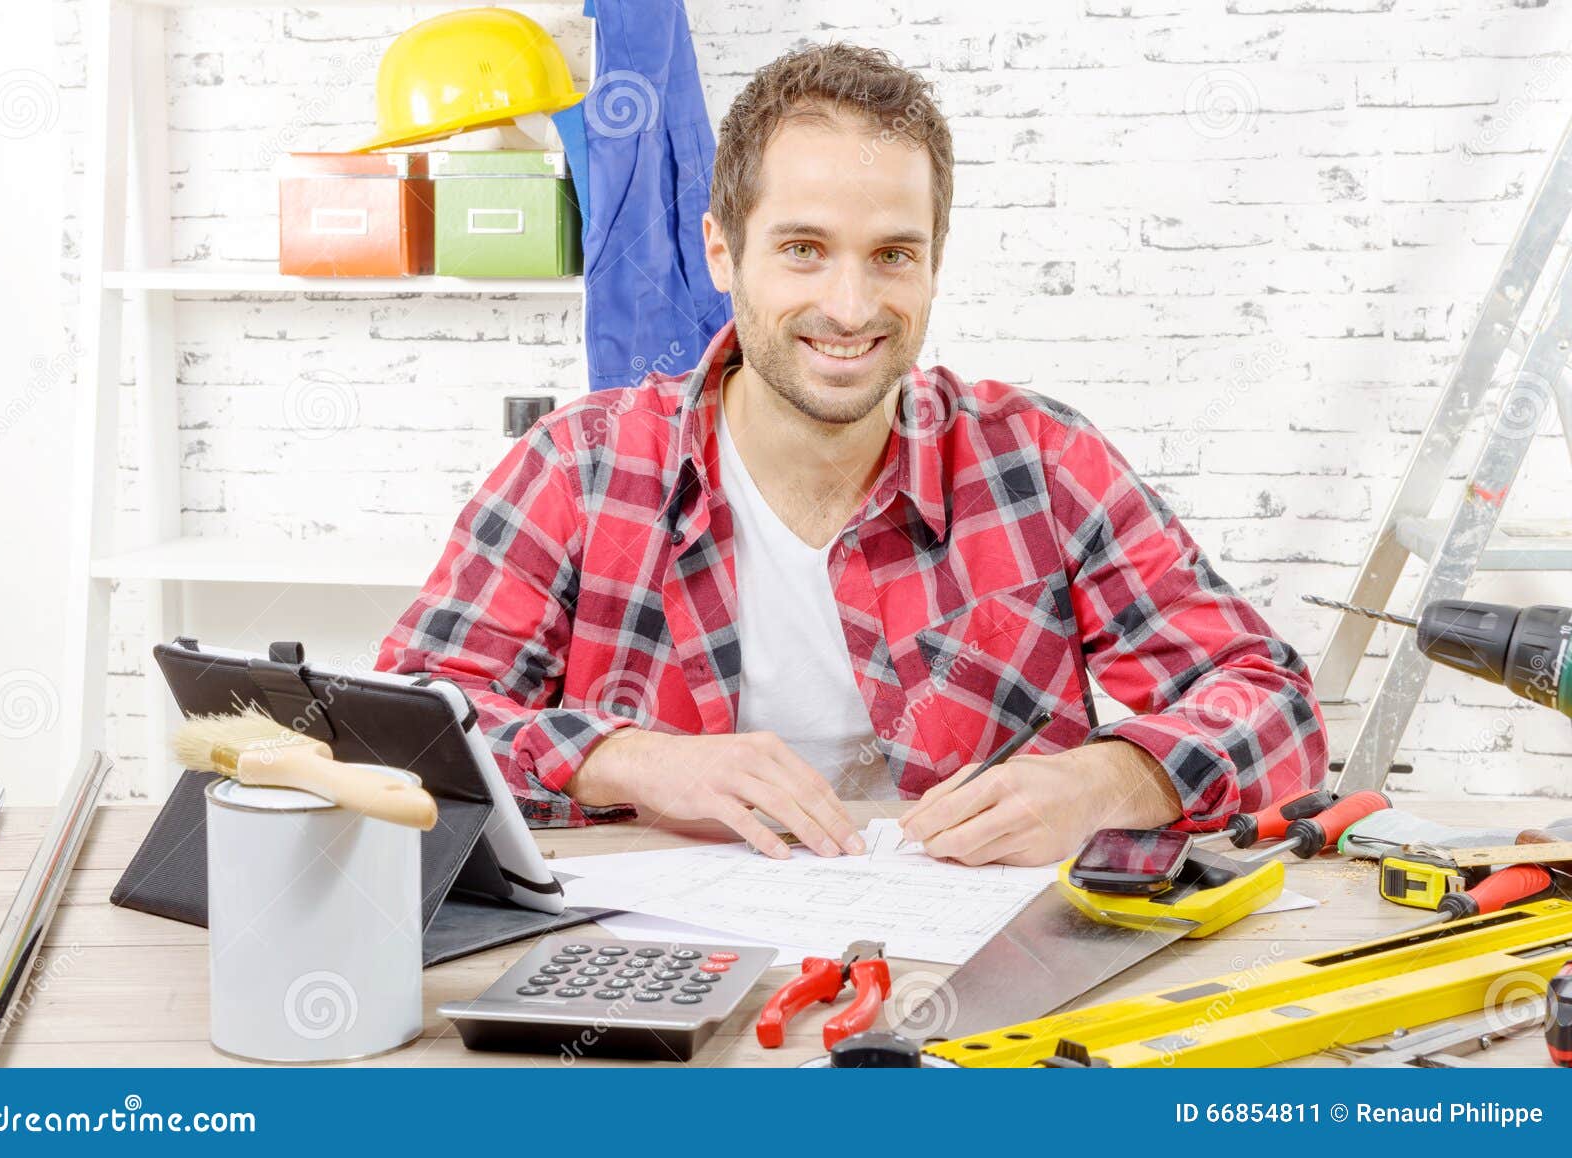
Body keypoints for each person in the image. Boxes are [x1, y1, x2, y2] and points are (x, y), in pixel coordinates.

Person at [376, 43, 1328, 867]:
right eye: (802, 248)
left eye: (892, 255)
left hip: (976, 997)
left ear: (933, 264)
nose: (849, 306)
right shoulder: (580, 467)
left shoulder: (1037, 458)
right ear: (722, 252)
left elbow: (1273, 705)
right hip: (664, 980)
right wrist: (630, 758)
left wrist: (1106, 782)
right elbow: (403, 730)